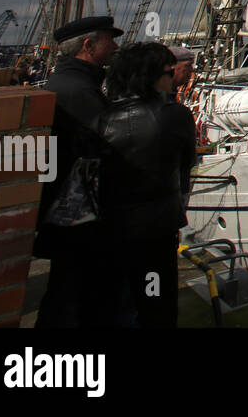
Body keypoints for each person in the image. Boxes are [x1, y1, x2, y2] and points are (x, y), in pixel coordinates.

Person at [99, 42, 196, 327]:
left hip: (111, 228)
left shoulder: (100, 118)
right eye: (169, 72)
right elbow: (185, 166)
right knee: (155, 299)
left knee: (117, 301)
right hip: (156, 230)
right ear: (152, 76)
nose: (173, 79)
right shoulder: (175, 116)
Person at [34, 15, 122, 328]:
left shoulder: (69, 85)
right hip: (80, 220)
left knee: (65, 293)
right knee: (74, 299)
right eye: (109, 40)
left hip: (70, 218)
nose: (115, 46)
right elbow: (108, 152)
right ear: (88, 46)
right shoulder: (81, 94)